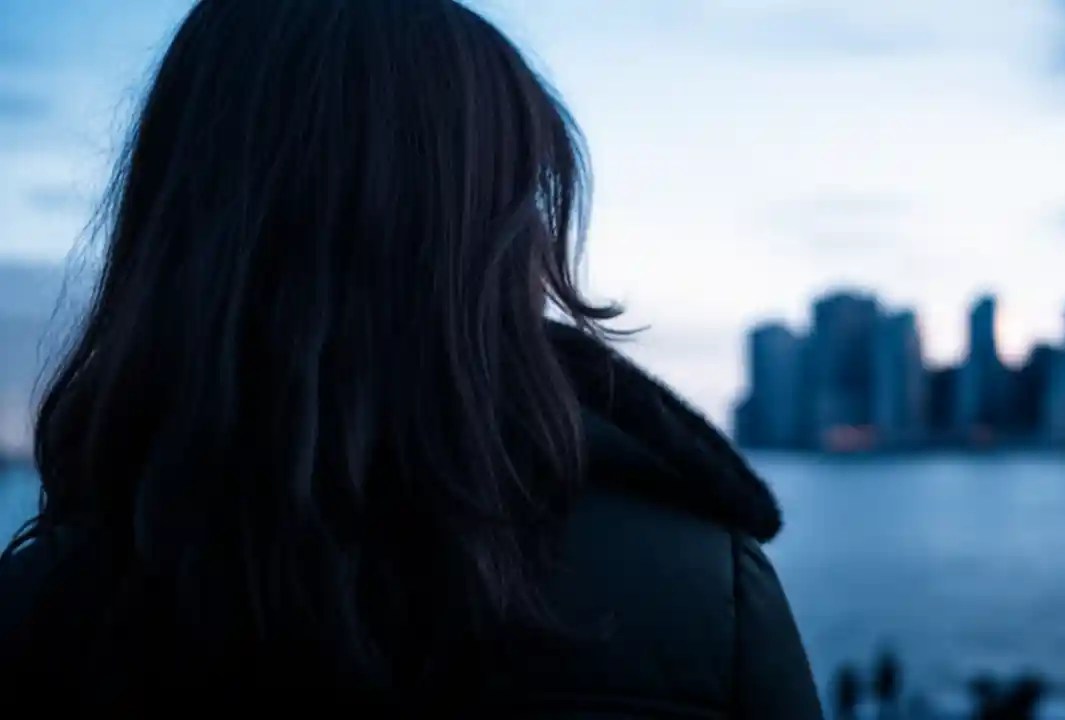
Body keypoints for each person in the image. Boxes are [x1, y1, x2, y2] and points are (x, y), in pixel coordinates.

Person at [0, 0, 821, 716]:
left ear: (177, 228)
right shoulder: (705, 596)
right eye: (528, 196)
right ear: (494, 241)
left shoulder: (45, 616)